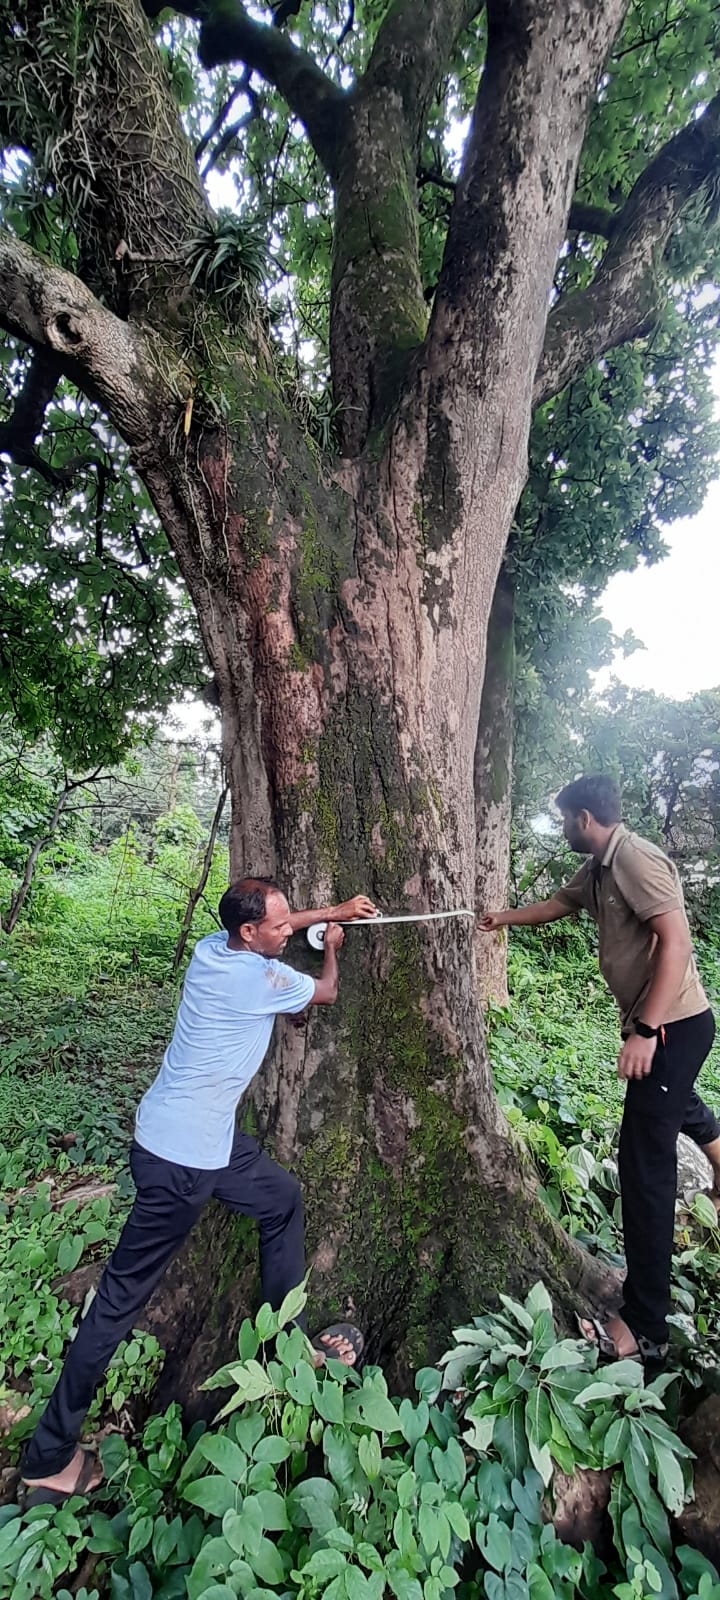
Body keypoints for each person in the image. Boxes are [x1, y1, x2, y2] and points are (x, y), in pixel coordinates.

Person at [21, 878, 376, 1506]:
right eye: (277, 926)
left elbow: (283, 930)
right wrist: (334, 945)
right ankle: (48, 1458)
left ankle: (284, 1344)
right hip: (184, 1164)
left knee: (280, 1200)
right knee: (117, 1305)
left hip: (186, 1136)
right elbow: (324, 993)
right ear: (249, 933)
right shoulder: (256, 979)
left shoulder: (214, 951)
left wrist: (334, 911)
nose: (287, 929)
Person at [481, 773, 719, 1365]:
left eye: (565, 819)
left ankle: (645, 1325)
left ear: (585, 818)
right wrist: (500, 919)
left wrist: (644, 1031)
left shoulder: (636, 860)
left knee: (644, 1167)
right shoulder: (599, 870)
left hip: (672, 1027)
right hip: (662, 1029)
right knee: (673, 1108)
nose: (563, 829)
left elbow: (678, 944)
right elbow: (557, 906)